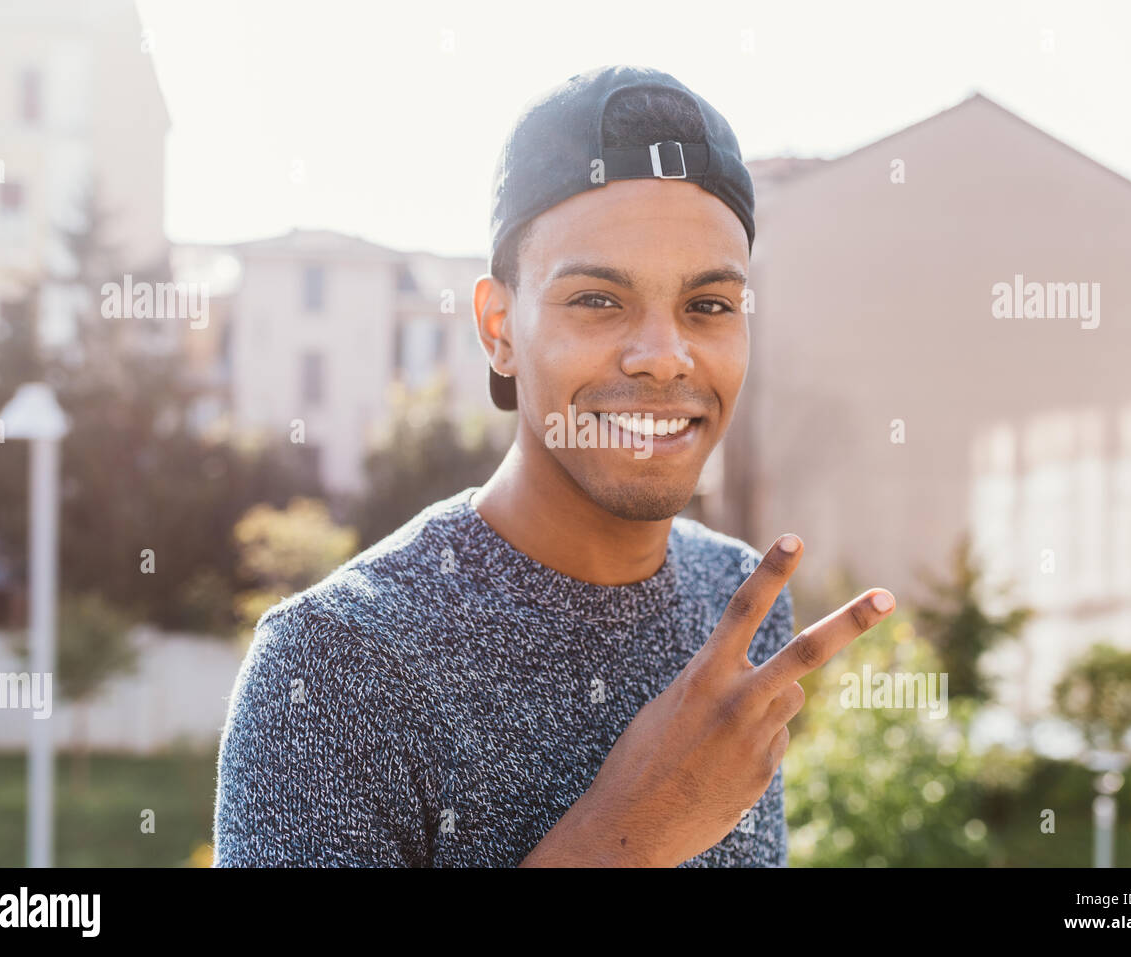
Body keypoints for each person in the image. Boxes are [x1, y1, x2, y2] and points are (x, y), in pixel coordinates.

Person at [212, 64, 895, 867]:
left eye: (708, 305)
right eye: (598, 300)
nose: (663, 357)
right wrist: (631, 833)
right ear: (498, 327)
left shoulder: (739, 607)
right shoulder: (335, 663)